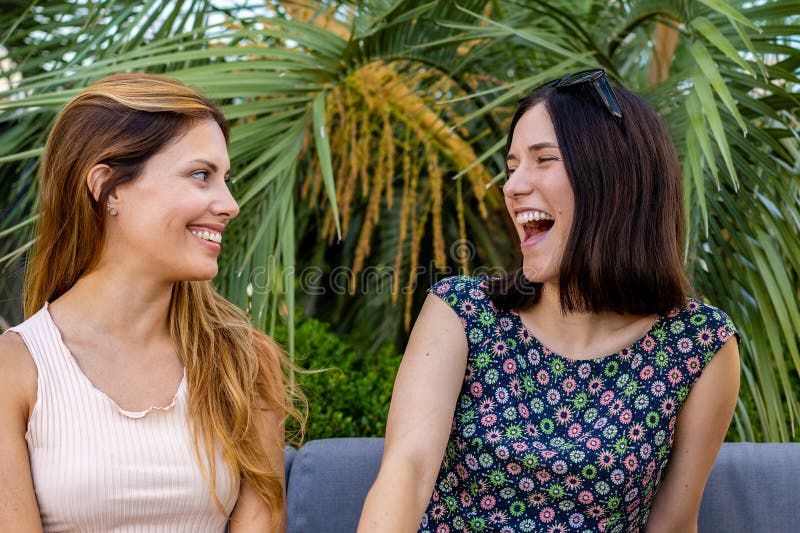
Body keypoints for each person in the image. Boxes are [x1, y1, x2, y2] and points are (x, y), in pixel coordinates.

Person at [359, 68, 740, 533]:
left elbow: (673, 523)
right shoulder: (461, 311)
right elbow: (408, 469)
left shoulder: (698, 344)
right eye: (512, 166)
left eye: (543, 159)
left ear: (616, 180)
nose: (512, 186)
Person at [0, 73, 302, 532]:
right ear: (108, 188)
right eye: (200, 175)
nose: (229, 204)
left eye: (225, 179)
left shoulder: (244, 363)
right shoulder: (13, 370)